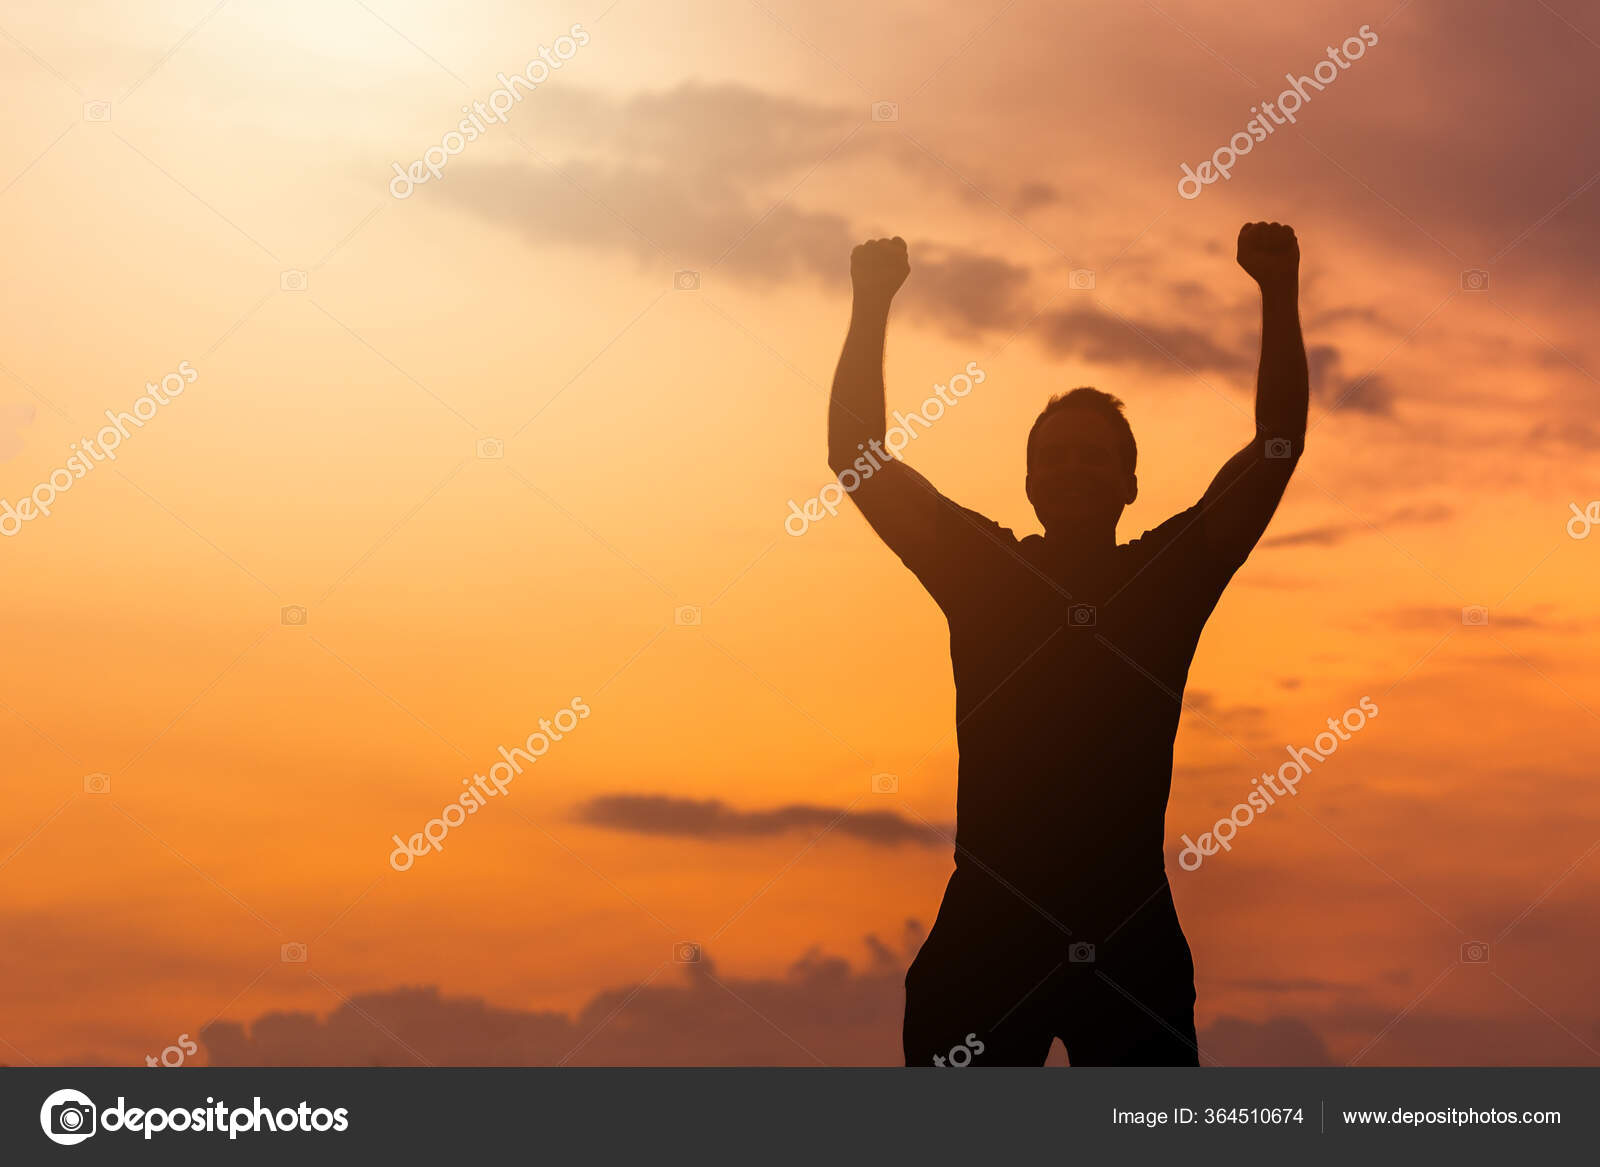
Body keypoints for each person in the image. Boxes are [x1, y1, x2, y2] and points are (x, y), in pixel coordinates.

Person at [826, 223, 1308, 1066]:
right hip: (987, 930)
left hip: (1128, 930)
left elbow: (1275, 449)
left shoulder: (1167, 577)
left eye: (1095, 458)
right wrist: (871, 303)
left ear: (1129, 483)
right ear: (1029, 482)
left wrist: (1277, 289)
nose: (1074, 470)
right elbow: (857, 457)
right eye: (1055, 458)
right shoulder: (982, 569)